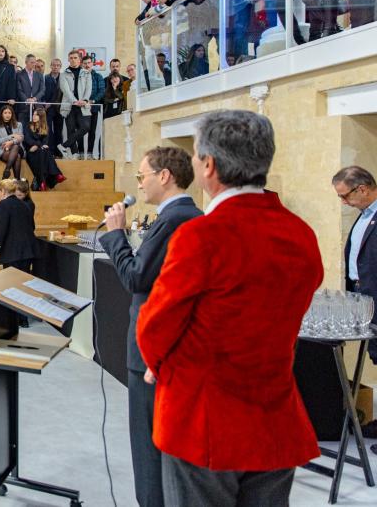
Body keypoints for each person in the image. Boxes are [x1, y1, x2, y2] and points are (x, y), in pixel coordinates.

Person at [136, 110, 323, 506]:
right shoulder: (300, 233)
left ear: (209, 165)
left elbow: (156, 323)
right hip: (274, 414)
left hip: (205, 417)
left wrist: (161, 365)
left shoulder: (202, 235)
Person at [98, 146, 202, 507]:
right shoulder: (189, 216)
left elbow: (136, 277)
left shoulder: (174, 219)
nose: (139, 184)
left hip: (151, 349)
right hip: (172, 346)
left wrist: (116, 234)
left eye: (142, 176)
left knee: (148, 447)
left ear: (165, 176)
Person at [332, 165, 377, 363]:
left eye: (344, 196)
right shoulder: (364, 215)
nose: (343, 202)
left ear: (362, 189)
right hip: (363, 296)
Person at [0, 179, 39, 271]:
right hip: (28, 250)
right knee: (24, 278)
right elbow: (32, 226)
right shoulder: (25, 204)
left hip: (12, 252)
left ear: (3, 191)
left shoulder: (3, 204)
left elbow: (0, 230)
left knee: (12, 278)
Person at [57, 50, 91, 160]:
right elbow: (65, 90)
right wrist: (75, 101)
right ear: (68, 59)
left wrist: (84, 100)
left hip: (83, 105)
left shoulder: (86, 73)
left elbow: (88, 88)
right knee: (70, 129)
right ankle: (74, 153)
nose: (73, 60)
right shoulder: (63, 74)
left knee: (86, 127)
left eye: (75, 57)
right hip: (69, 106)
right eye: (71, 58)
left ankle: (63, 146)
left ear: (79, 59)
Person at [23, 108, 63, 191]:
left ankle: (42, 181)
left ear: (41, 117)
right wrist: (40, 144)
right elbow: (28, 140)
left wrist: (38, 145)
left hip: (40, 152)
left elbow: (45, 142)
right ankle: (56, 174)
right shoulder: (28, 125)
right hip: (30, 152)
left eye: (36, 115)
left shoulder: (45, 127)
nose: (34, 116)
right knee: (45, 151)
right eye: (34, 114)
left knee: (44, 151)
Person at [0, 105, 24, 179]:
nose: (7, 115)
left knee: (15, 146)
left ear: (12, 114)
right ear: (1, 114)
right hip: (3, 149)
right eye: (5, 113)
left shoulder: (19, 124)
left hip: (18, 148)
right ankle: (17, 180)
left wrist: (11, 142)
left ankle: (7, 170)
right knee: (17, 156)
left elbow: (21, 138)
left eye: (9, 113)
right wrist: (12, 135)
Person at [16, 55, 46, 125]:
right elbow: (18, 89)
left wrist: (35, 99)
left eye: (34, 62)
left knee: (38, 129)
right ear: (26, 62)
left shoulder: (39, 75)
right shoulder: (19, 74)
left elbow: (42, 90)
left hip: (37, 107)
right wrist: (27, 99)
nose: (34, 64)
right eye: (32, 62)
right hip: (23, 107)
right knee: (23, 128)